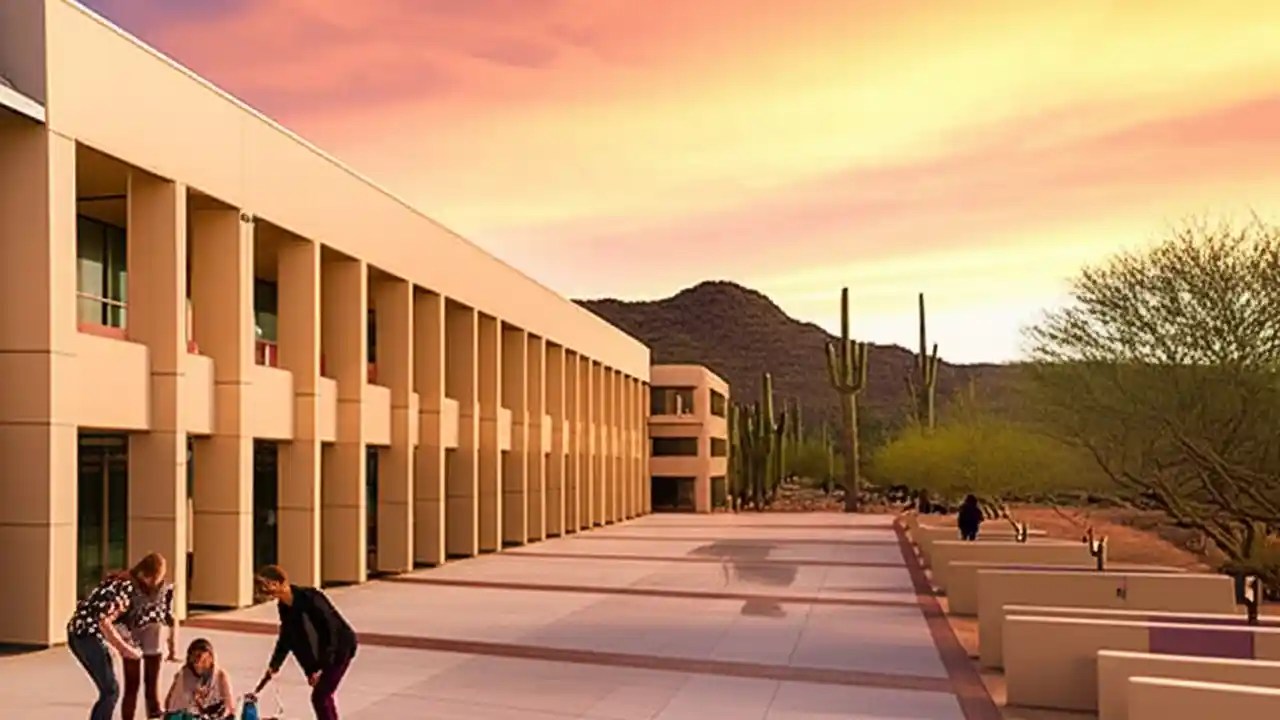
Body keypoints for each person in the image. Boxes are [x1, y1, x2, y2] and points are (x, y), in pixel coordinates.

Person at [67, 553, 168, 720]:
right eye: (154, 579)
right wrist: (125, 649)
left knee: (109, 689)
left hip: (77, 633)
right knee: (110, 690)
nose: (152, 585)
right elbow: (103, 621)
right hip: (87, 636)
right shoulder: (125, 587)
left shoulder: (118, 580)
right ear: (144, 574)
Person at [252, 565, 358, 720]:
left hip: (341, 648)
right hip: (326, 654)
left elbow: (331, 630)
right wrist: (274, 666)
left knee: (321, 696)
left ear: (282, 582)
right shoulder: (285, 607)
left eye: (269, 584)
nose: (267, 590)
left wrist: (321, 666)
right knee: (323, 696)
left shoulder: (311, 597)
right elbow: (288, 638)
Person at [120, 581, 179, 720]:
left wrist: (172, 647)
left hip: (141, 642)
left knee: (138, 688)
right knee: (144, 688)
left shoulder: (163, 590)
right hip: (141, 642)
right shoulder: (132, 588)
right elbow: (170, 618)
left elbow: (170, 618)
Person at [163, 638, 235, 720]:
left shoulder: (220, 676)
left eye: (201, 657)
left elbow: (229, 708)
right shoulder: (184, 675)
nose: (197, 662)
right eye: (194, 657)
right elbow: (170, 705)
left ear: (211, 658)